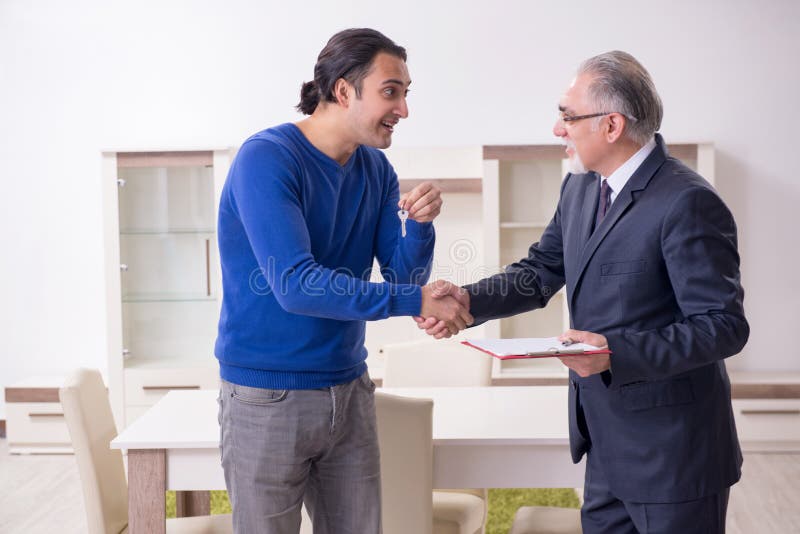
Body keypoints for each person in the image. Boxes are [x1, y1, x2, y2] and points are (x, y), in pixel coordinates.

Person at [419, 51, 748, 533]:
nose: (557, 129)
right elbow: (541, 270)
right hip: (605, 443)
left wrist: (615, 352)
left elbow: (723, 326)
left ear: (612, 125)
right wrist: (469, 301)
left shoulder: (687, 201)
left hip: (674, 456)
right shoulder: (581, 188)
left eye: (567, 116)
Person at [214, 28, 472, 534]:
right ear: (343, 91)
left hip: (348, 388)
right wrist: (416, 298)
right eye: (390, 91)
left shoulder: (375, 168)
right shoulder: (267, 158)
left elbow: (402, 277)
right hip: (266, 395)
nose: (403, 109)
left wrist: (418, 227)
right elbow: (296, 285)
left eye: (405, 93)